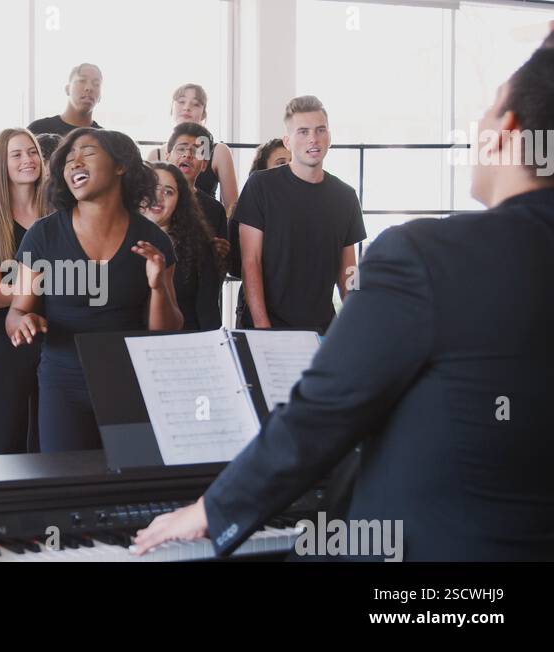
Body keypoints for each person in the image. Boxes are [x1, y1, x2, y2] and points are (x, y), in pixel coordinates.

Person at [134, 44, 554, 562]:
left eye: (486, 110)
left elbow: (325, 413)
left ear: (508, 130)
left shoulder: (426, 255)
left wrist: (212, 511)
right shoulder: (269, 190)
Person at [8, 129, 183, 452]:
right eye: (68, 158)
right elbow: (16, 312)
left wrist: (157, 287)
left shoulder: (153, 240)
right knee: (65, 487)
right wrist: (23, 323)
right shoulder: (42, 235)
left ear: (120, 166)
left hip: (131, 383)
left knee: (128, 488)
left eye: (87, 152)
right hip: (63, 384)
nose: (75, 162)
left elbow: (165, 332)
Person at [237, 96, 365, 334]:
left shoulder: (346, 196)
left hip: (323, 329)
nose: (313, 139)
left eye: (320, 130)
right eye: (303, 132)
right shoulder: (261, 186)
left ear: (329, 136)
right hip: (267, 327)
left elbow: (349, 270)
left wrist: (357, 320)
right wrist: (263, 328)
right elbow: (250, 262)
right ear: (287, 141)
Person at [0, 129, 46, 455]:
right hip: (12, 335)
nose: (28, 160)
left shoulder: (59, 210)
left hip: (57, 332)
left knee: (49, 437)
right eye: (16, 155)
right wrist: (52, 282)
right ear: (1, 164)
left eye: (32, 152)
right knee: (5, 436)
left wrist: (22, 285)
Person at [141, 163, 222, 331]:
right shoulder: (116, 240)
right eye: (153, 188)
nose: (159, 196)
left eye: (168, 192)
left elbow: (208, 312)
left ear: (179, 202)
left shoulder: (200, 247)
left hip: (183, 342)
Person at [147, 84, 239, 213]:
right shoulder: (155, 155)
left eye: (196, 104)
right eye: (181, 101)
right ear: (172, 108)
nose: (187, 108)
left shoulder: (219, 151)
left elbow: (232, 206)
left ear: (203, 113)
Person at [229, 138, 293, 324]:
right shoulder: (246, 208)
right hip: (258, 307)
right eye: (281, 163)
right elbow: (236, 266)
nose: (289, 169)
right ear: (262, 169)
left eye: (292, 162)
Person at [28, 63, 104, 137]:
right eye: (82, 81)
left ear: (100, 96)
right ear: (67, 89)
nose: (89, 88)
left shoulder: (106, 139)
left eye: (96, 84)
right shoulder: (38, 130)